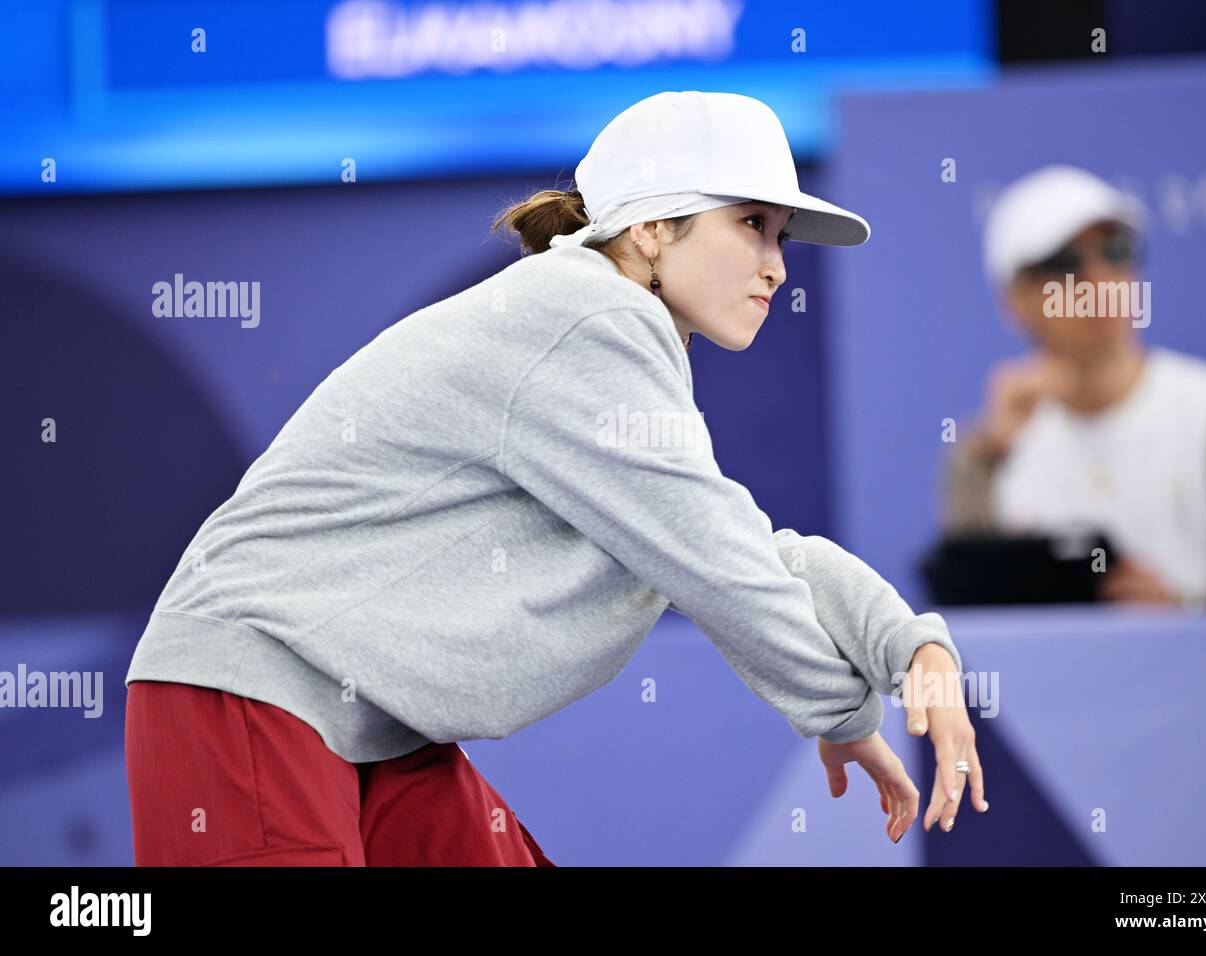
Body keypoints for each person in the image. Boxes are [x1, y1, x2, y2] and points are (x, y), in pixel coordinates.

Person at [125, 91, 985, 868]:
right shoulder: (586, 317)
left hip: (370, 726)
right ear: (652, 228)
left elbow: (745, 548)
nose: (777, 266)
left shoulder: (603, 334)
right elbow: (719, 564)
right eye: (751, 224)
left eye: (780, 237)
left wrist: (912, 649)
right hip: (245, 691)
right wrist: (845, 711)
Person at [943, 165, 1206, 605]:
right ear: (1015, 299)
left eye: (1117, 251)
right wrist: (990, 453)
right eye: (1066, 263)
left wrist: (1184, 609)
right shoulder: (993, 445)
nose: (1099, 280)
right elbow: (968, 597)